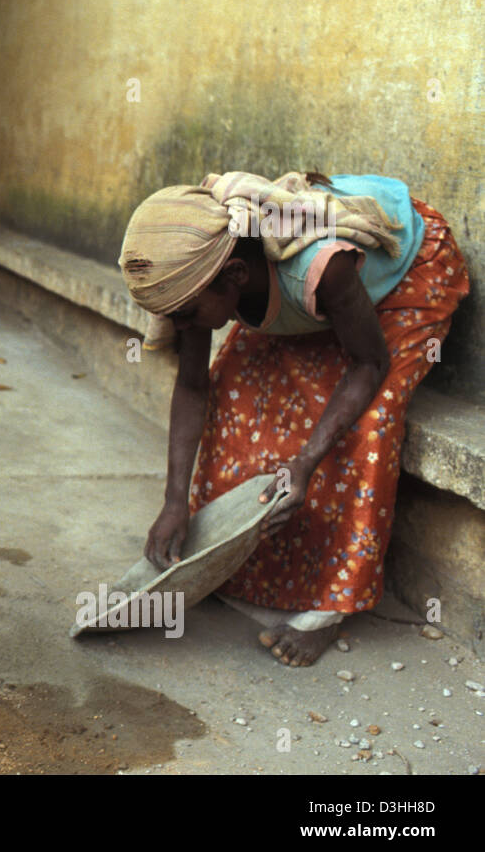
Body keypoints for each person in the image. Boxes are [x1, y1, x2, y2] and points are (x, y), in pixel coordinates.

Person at [118, 170, 469, 666]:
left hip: (409, 271)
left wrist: (303, 463)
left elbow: (370, 364)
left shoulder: (323, 268)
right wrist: (174, 501)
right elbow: (194, 384)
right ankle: (241, 564)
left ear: (236, 277)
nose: (179, 327)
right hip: (309, 299)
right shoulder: (201, 280)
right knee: (234, 388)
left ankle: (329, 606)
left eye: (186, 315)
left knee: (368, 425)